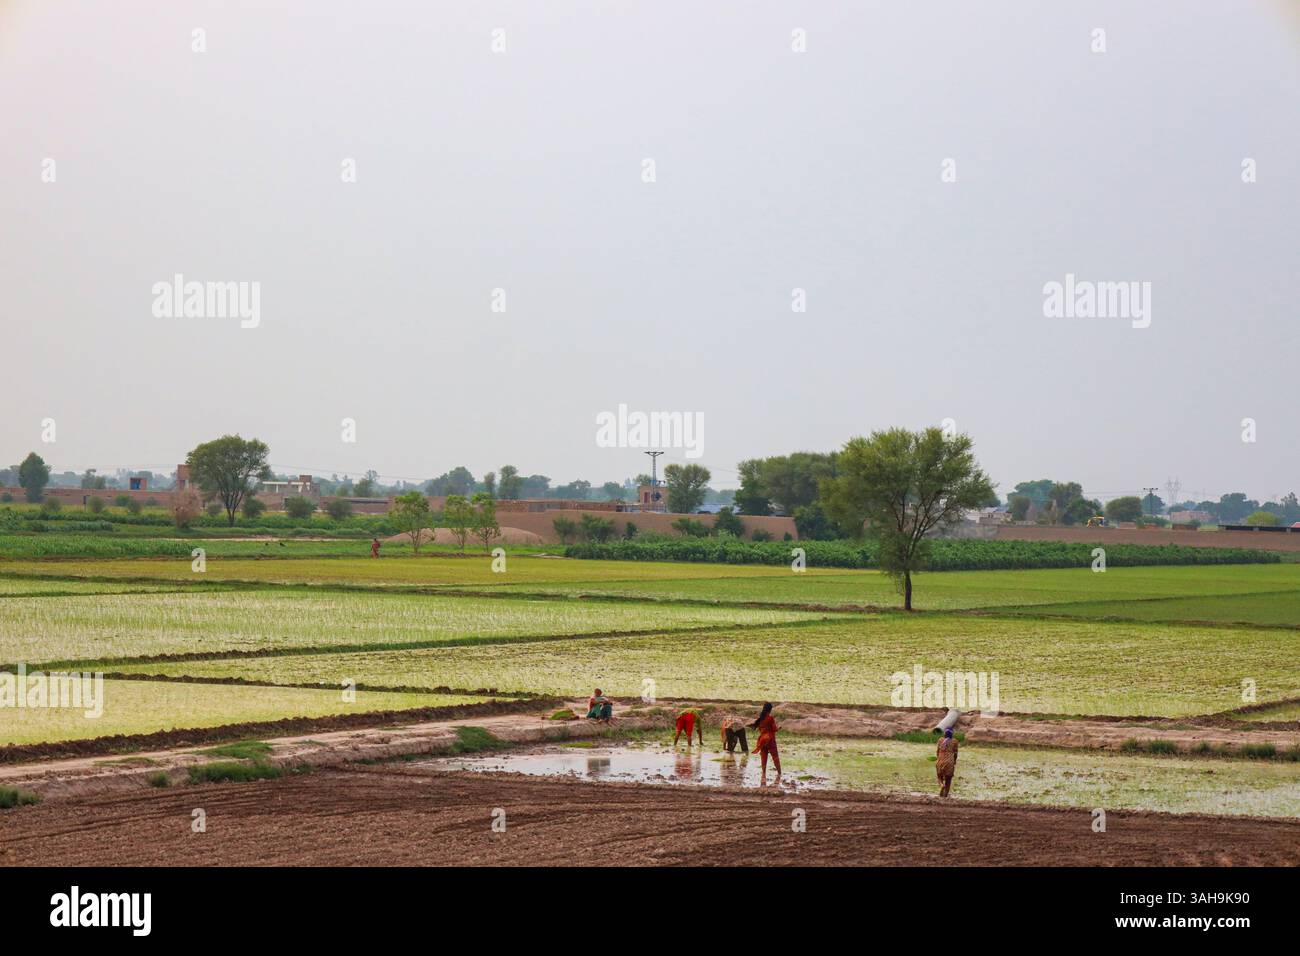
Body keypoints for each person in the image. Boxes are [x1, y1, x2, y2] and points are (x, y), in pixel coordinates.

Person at [750, 702, 780, 783]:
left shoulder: (760, 719)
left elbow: (761, 730)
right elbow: (774, 729)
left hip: (762, 740)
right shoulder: (770, 718)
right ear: (770, 710)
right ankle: (779, 773)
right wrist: (779, 728)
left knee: (763, 757)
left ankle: (763, 774)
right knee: (775, 757)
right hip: (770, 739)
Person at [936, 728, 959, 797]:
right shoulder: (955, 741)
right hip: (950, 762)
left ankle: (942, 785)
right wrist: (954, 761)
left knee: (939, 776)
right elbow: (955, 754)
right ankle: (945, 795)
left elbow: (937, 751)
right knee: (948, 779)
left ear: (944, 733)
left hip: (941, 761)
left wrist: (938, 758)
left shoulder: (940, 740)